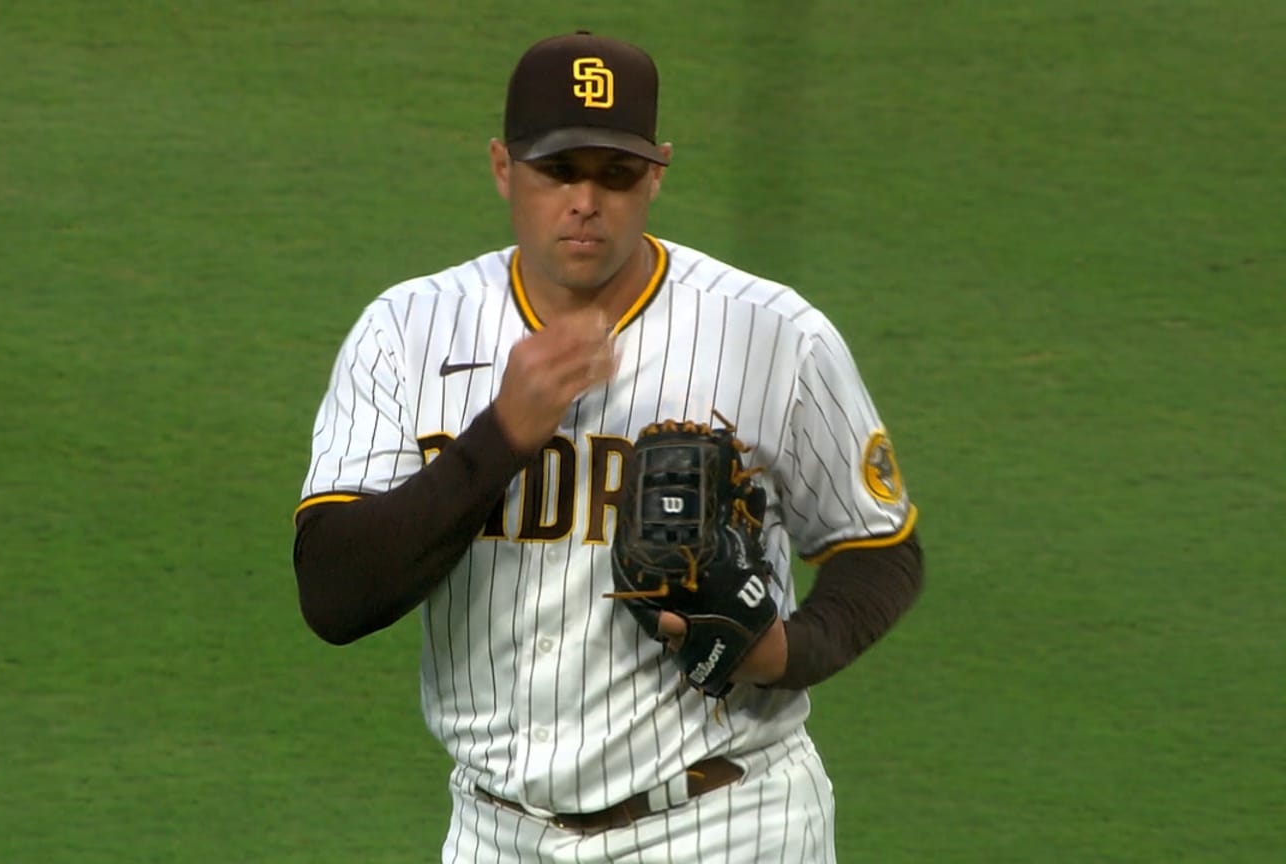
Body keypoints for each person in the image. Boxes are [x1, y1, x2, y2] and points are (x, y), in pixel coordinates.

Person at [293, 31, 923, 863]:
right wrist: (503, 435)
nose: (585, 199)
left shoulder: (775, 335)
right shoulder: (405, 332)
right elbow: (335, 597)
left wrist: (786, 652)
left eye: (616, 173)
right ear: (501, 167)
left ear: (658, 171)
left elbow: (882, 549)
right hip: (494, 830)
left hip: (726, 822)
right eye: (558, 170)